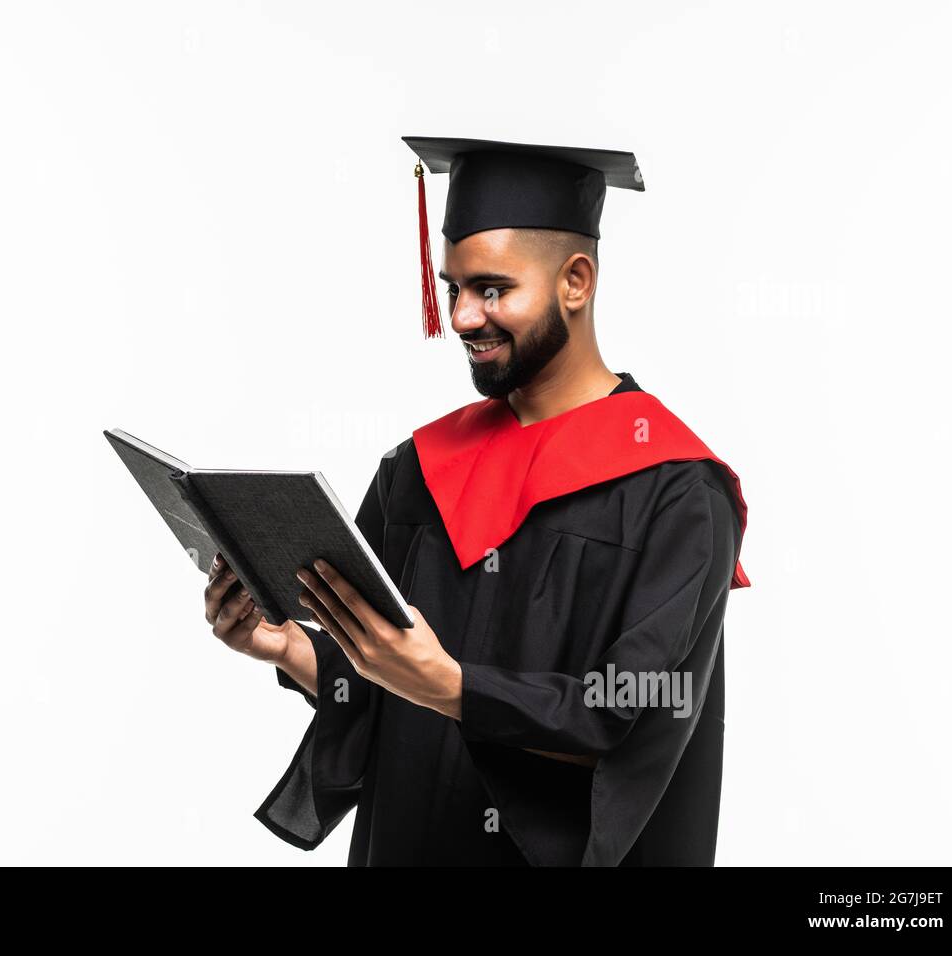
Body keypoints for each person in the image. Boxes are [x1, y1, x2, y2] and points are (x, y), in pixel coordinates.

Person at [202, 136, 750, 866]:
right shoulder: (417, 471)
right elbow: (383, 697)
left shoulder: (676, 490)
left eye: (491, 289)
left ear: (576, 281)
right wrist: (289, 647)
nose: (461, 316)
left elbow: (632, 714)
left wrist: (456, 689)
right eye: (453, 286)